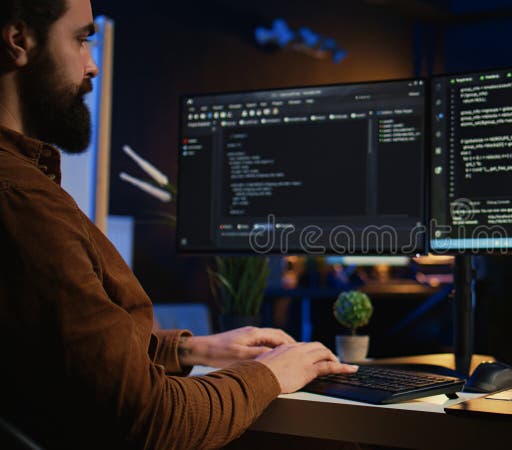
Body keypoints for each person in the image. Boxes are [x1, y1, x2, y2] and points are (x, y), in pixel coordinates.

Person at [0, 0, 357, 448]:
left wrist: (191, 349)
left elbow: (66, 352)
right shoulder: (23, 202)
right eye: (81, 39)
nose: (92, 65)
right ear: (19, 40)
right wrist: (268, 373)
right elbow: (150, 420)